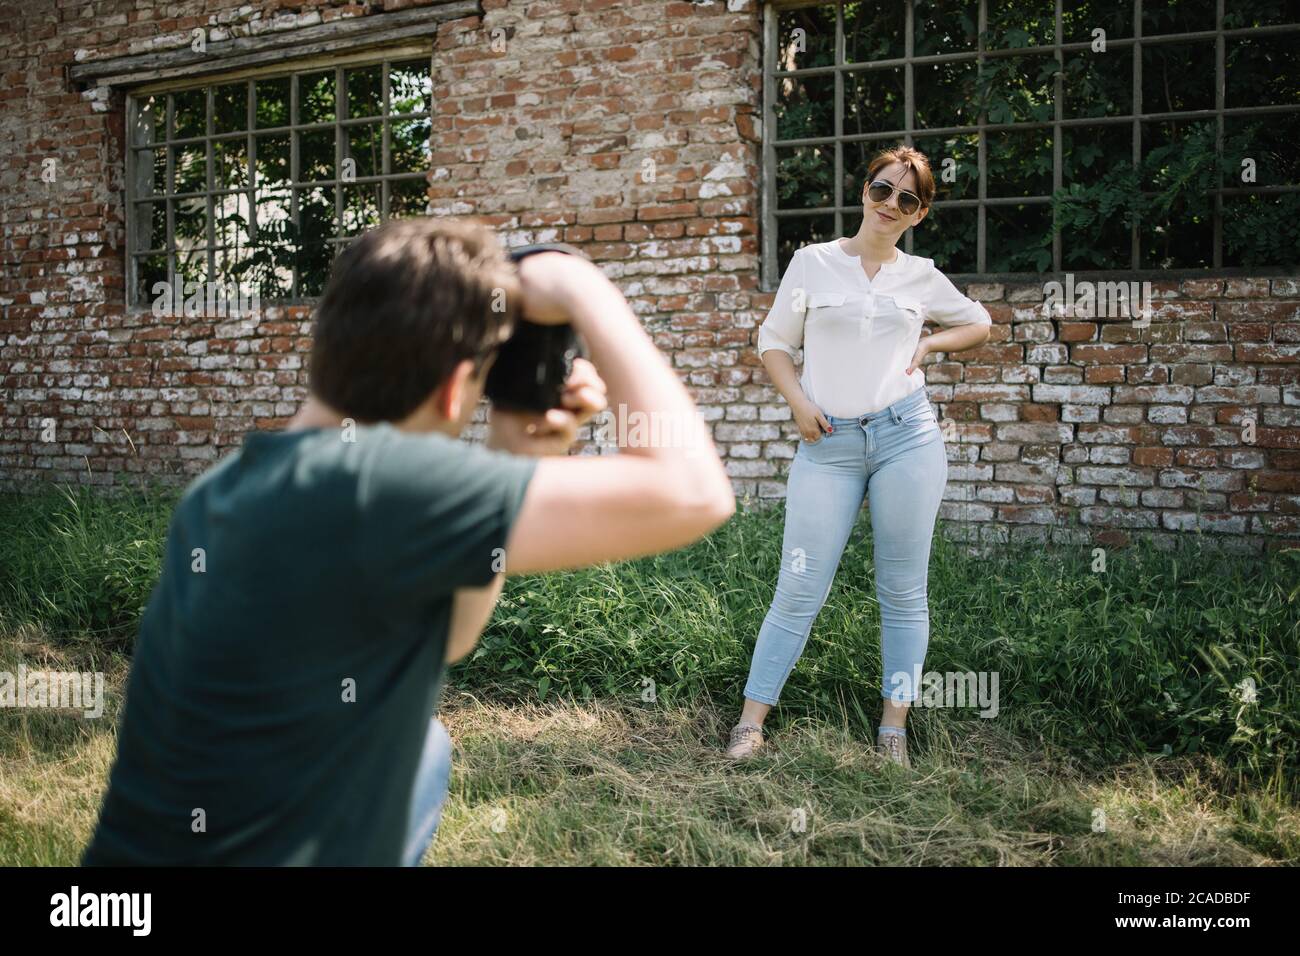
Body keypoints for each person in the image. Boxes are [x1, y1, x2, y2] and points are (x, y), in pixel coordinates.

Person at [83, 217, 734, 865]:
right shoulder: (379, 484)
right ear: (455, 392)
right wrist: (584, 289)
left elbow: (450, 636)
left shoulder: (236, 484)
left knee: (425, 749)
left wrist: (511, 447)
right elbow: (693, 491)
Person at [725, 145, 992, 768]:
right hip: (828, 444)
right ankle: (750, 722)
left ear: (918, 213)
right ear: (864, 191)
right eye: (882, 190)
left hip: (908, 438)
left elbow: (979, 323)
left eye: (907, 199)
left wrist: (931, 346)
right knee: (798, 586)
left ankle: (892, 731)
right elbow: (774, 342)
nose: (890, 205)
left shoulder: (920, 275)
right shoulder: (813, 263)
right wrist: (796, 402)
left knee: (903, 591)